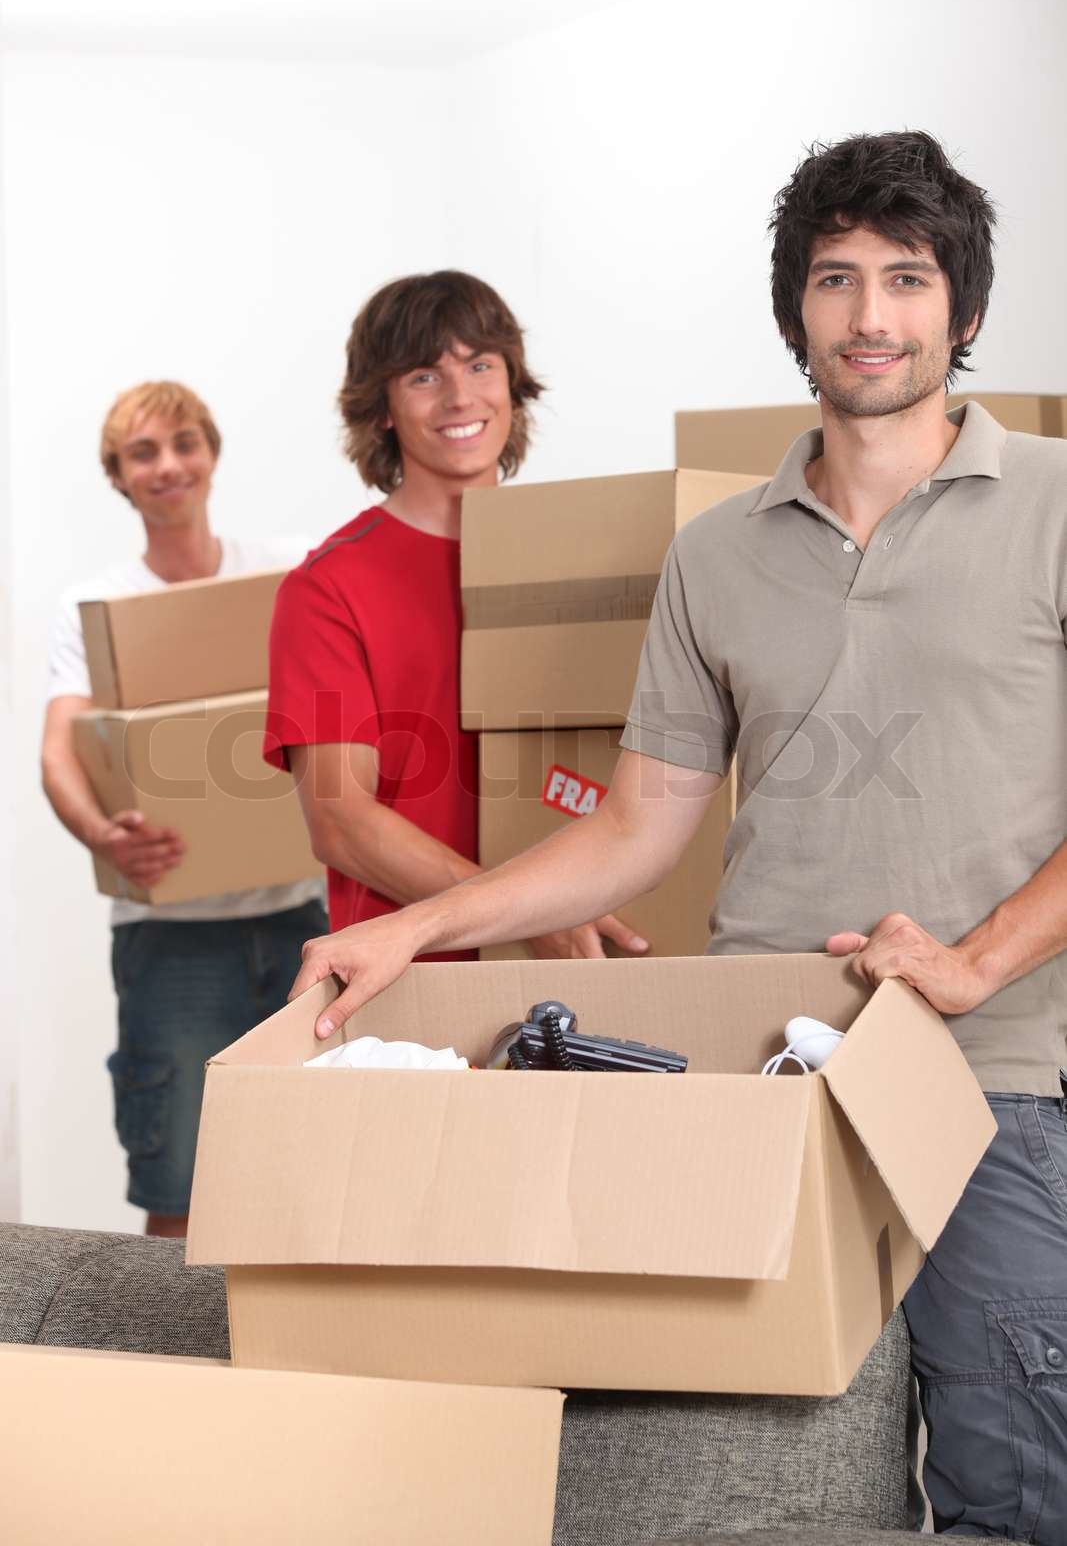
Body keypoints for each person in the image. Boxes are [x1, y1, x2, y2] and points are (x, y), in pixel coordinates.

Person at [289, 138, 1067, 1542]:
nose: (868, 315)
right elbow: (638, 823)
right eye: (834, 279)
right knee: (748, 1498)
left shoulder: (1056, 504)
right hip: (762, 1077)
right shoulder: (718, 553)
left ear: (960, 310)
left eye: (905, 279)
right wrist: (415, 926)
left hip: (992, 1081)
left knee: (1017, 1491)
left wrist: (974, 962)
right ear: (792, 313)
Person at [264, 269, 648, 963]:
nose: (460, 396)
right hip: (414, 978)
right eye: (423, 376)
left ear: (511, 383)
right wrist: (529, 915)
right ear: (382, 408)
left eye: (479, 365)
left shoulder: (582, 555)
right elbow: (340, 821)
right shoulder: (327, 587)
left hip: (596, 946)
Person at [42, 381, 327, 1237]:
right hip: (171, 938)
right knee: (179, 1189)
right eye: (144, 453)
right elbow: (58, 751)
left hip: (298, 920)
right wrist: (103, 837)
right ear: (117, 476)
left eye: (184, 444)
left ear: (211, 454)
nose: (168, 466)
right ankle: (172, 1333)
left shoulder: (284, 573)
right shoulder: (96, 606)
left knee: (307, 1173)